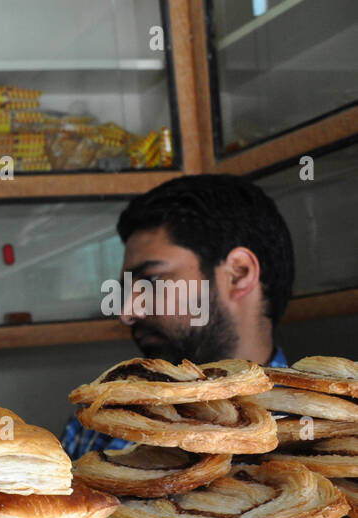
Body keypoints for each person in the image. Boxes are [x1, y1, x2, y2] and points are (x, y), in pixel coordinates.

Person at [62, 174, 294, 458]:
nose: (127, 312)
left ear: (238, 273)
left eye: (151, 280)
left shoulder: (322, 434)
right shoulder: (98, 422)